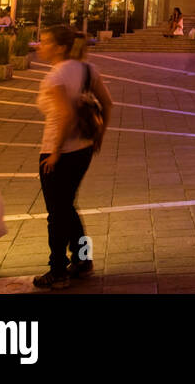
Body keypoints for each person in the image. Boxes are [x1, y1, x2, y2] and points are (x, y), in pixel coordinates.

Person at [33, 25, 113, 289]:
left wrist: (55, 152)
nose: (39, 46)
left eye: (44, 42)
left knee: (56, 212)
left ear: (60, 47)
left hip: (60, 150)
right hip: (84, 148)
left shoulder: (57, 75)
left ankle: (57, 269)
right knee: (67, 205)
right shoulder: (88, 70)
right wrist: (98, 136)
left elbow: (65, 114)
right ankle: (82, 259)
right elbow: (107, 103)